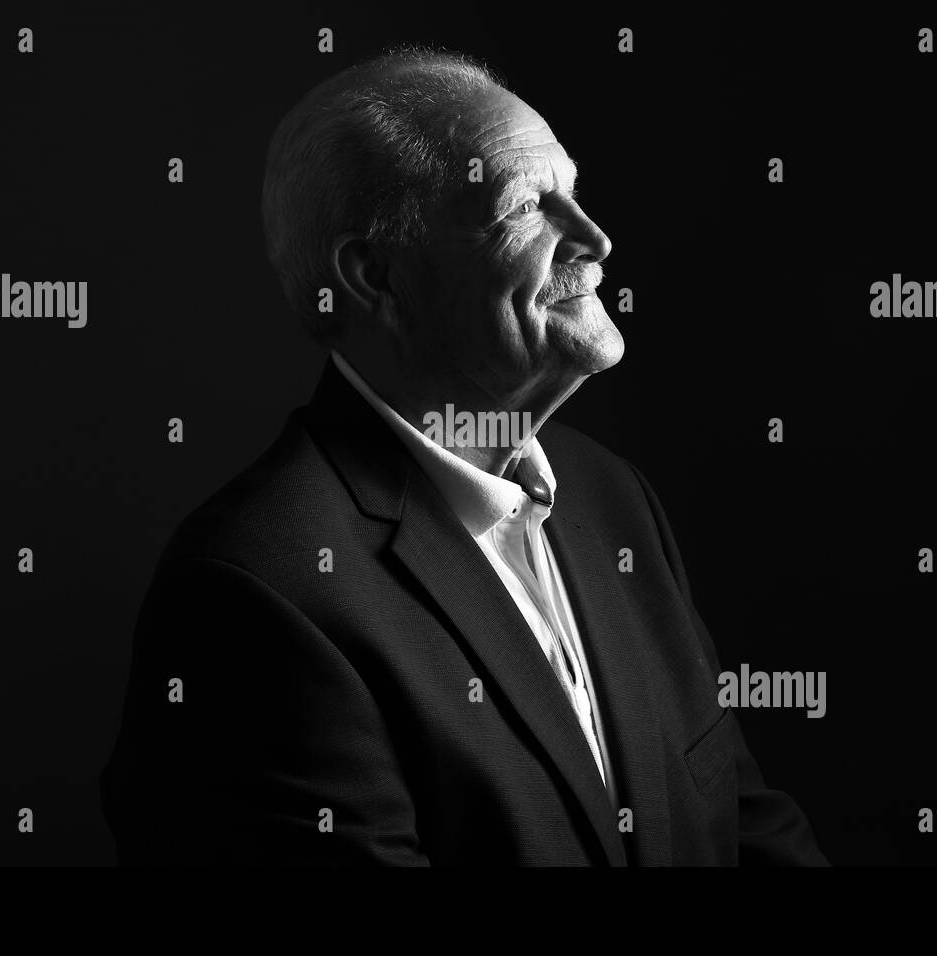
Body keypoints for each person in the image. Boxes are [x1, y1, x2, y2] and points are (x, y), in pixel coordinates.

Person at [100, 46, 827, 866]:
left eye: (576, 196)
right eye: (528, 207)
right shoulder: (254, 593)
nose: (595, 238)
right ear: (374, 274)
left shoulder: (611, 499)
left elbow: (746, 823)